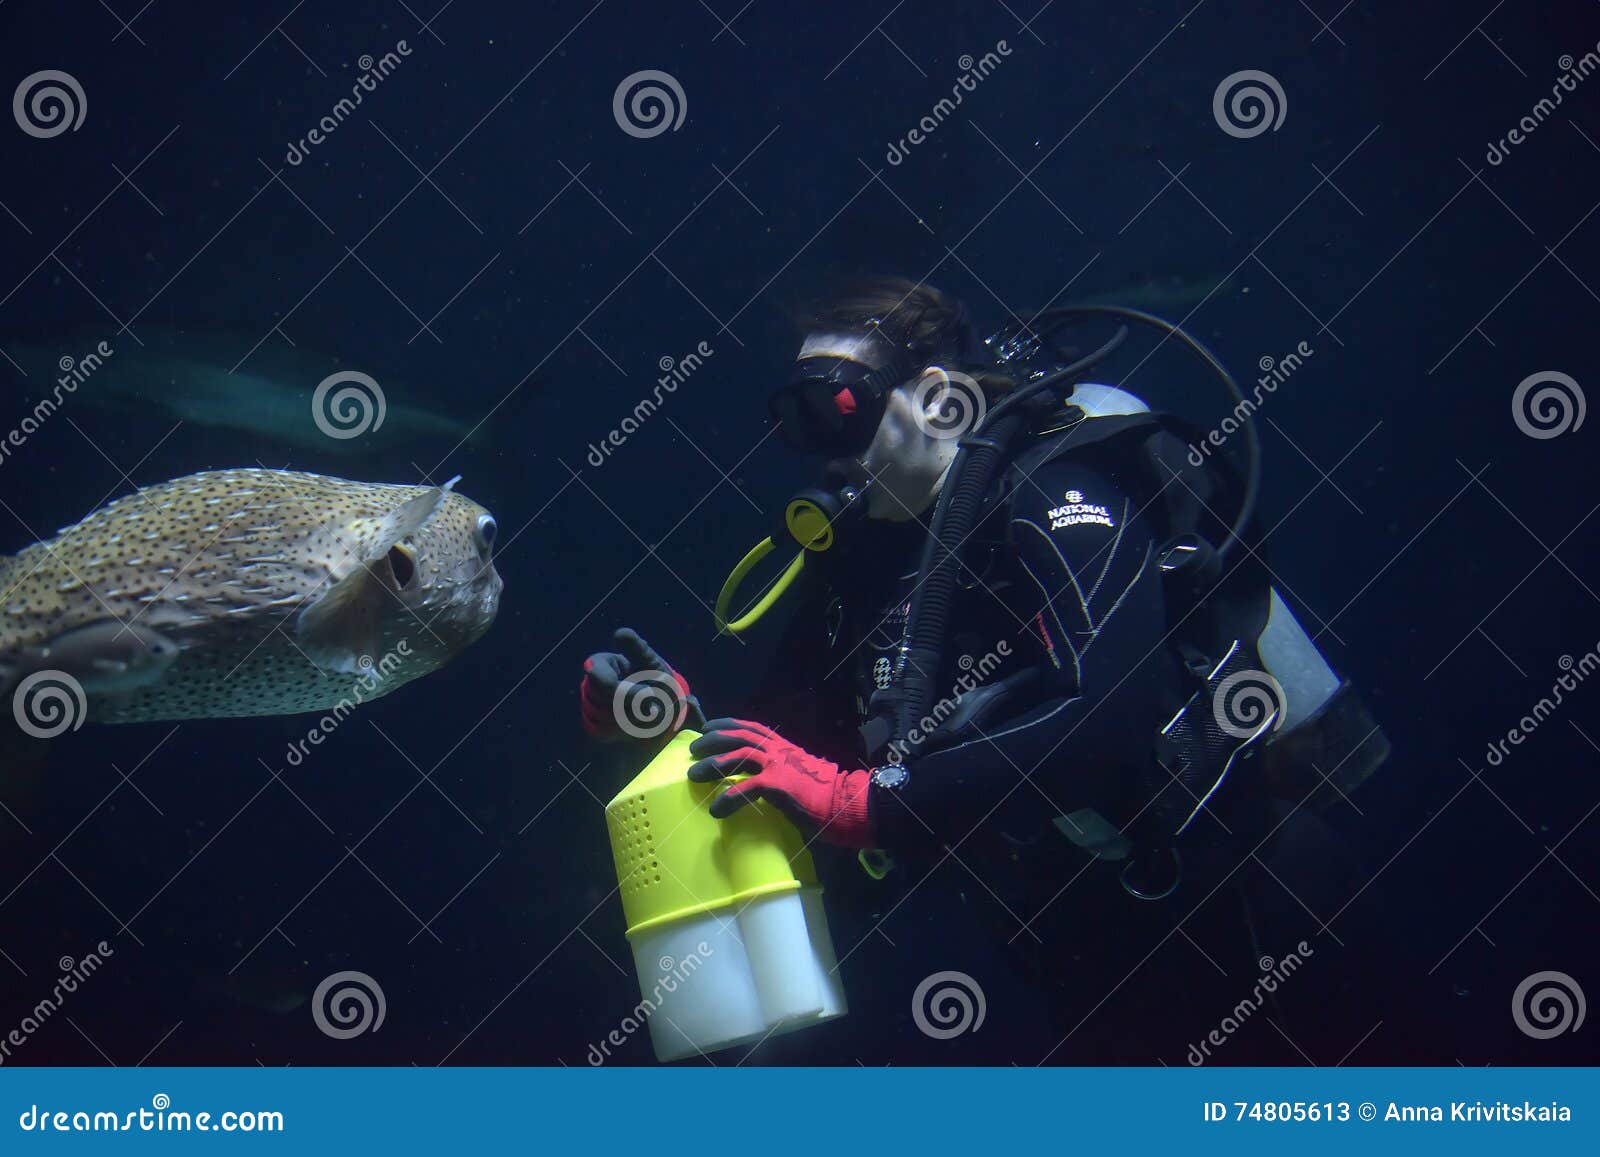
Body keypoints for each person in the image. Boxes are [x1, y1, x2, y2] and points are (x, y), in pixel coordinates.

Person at [581, 278, 1387, 1058]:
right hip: (1081, 956)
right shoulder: (865, 566)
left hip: (1251, 910)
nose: (821, 450)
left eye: (838, 408)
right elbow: (785, 754)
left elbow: (1107, 718)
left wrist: (864, 801)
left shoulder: (1059, 489)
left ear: (935, 397)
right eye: (797, 420)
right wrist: (673, 725)